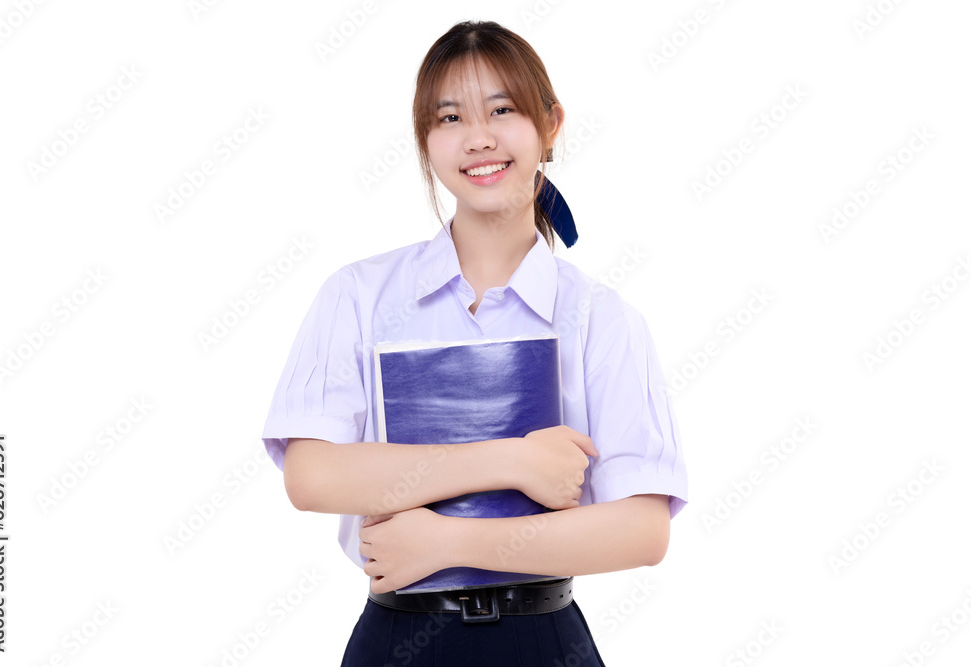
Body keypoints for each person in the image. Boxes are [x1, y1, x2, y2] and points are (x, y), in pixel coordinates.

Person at [261, 19, 688, 666]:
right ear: (426, 141)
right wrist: (511, 460)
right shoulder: (360, 295)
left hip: (543, 640)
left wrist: (449, 541)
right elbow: (311, 474)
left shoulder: (601, 318)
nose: (478, 137)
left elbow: (643, 529)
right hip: (398, 639)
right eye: (450, 117)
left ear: (551, 126)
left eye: (503, 109)